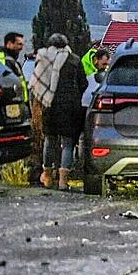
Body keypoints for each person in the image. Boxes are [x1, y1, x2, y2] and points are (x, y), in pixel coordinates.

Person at [30, 33, 87, 190]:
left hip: (50, 105)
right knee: (68, 143)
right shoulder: (74, 60)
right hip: (70, 107)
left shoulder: (43, 59)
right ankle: (63, 181)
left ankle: (47, 177)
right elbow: (83, 83)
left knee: (50, 140)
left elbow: (36, 84)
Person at [0, 32, 28, 101]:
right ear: (9, 44)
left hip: (18, 102)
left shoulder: (12, 61)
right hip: (10, 103)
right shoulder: (3, 60)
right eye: (19, 44)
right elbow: (5, 84)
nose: (21, 48)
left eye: (22, 45)